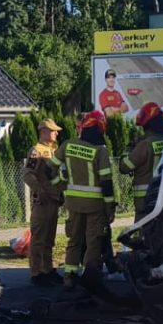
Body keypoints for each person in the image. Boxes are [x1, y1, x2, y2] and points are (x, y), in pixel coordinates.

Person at [59, 110, 115, 291]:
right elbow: (106, 182)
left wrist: (60, 186)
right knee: (93, 242)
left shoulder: (68, 145)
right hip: (95, 206)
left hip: (73, 204)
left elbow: (51, 168)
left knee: (74, 240)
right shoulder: (101, 150)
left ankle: (69, 276)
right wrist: (110, 206)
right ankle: (90, 277)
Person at [22, 118, 65, 286]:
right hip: (42, 201)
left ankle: (47, 270)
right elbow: (28, 174)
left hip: (54, 200)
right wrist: (40, 191)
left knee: (49, 239)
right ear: (44, 132)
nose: (56, 133)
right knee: (39, 239)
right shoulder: (36, 151)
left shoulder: (54, 150)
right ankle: (36, 273)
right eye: (53, 131)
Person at [126, 102, 163, 217]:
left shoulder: (145, 145)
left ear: (147, 125)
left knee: (143, 227)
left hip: (145, 199)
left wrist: (129, 149)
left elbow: (125, 167)